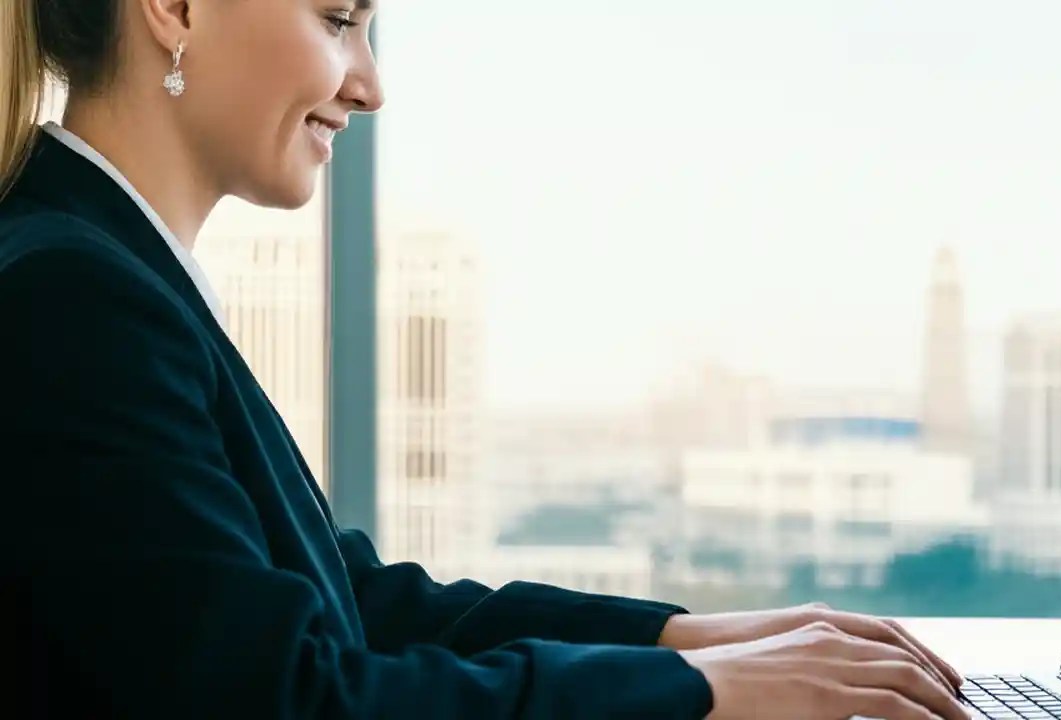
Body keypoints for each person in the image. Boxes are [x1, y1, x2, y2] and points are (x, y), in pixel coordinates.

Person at [0, 2, 969, 718]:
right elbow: (284, 699)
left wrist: (685, 637)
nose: (369, 84)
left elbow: (342, 601)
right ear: (173, 10)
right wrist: (699, 690)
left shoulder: (98, 263)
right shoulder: (74, 297)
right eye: (339, 20)